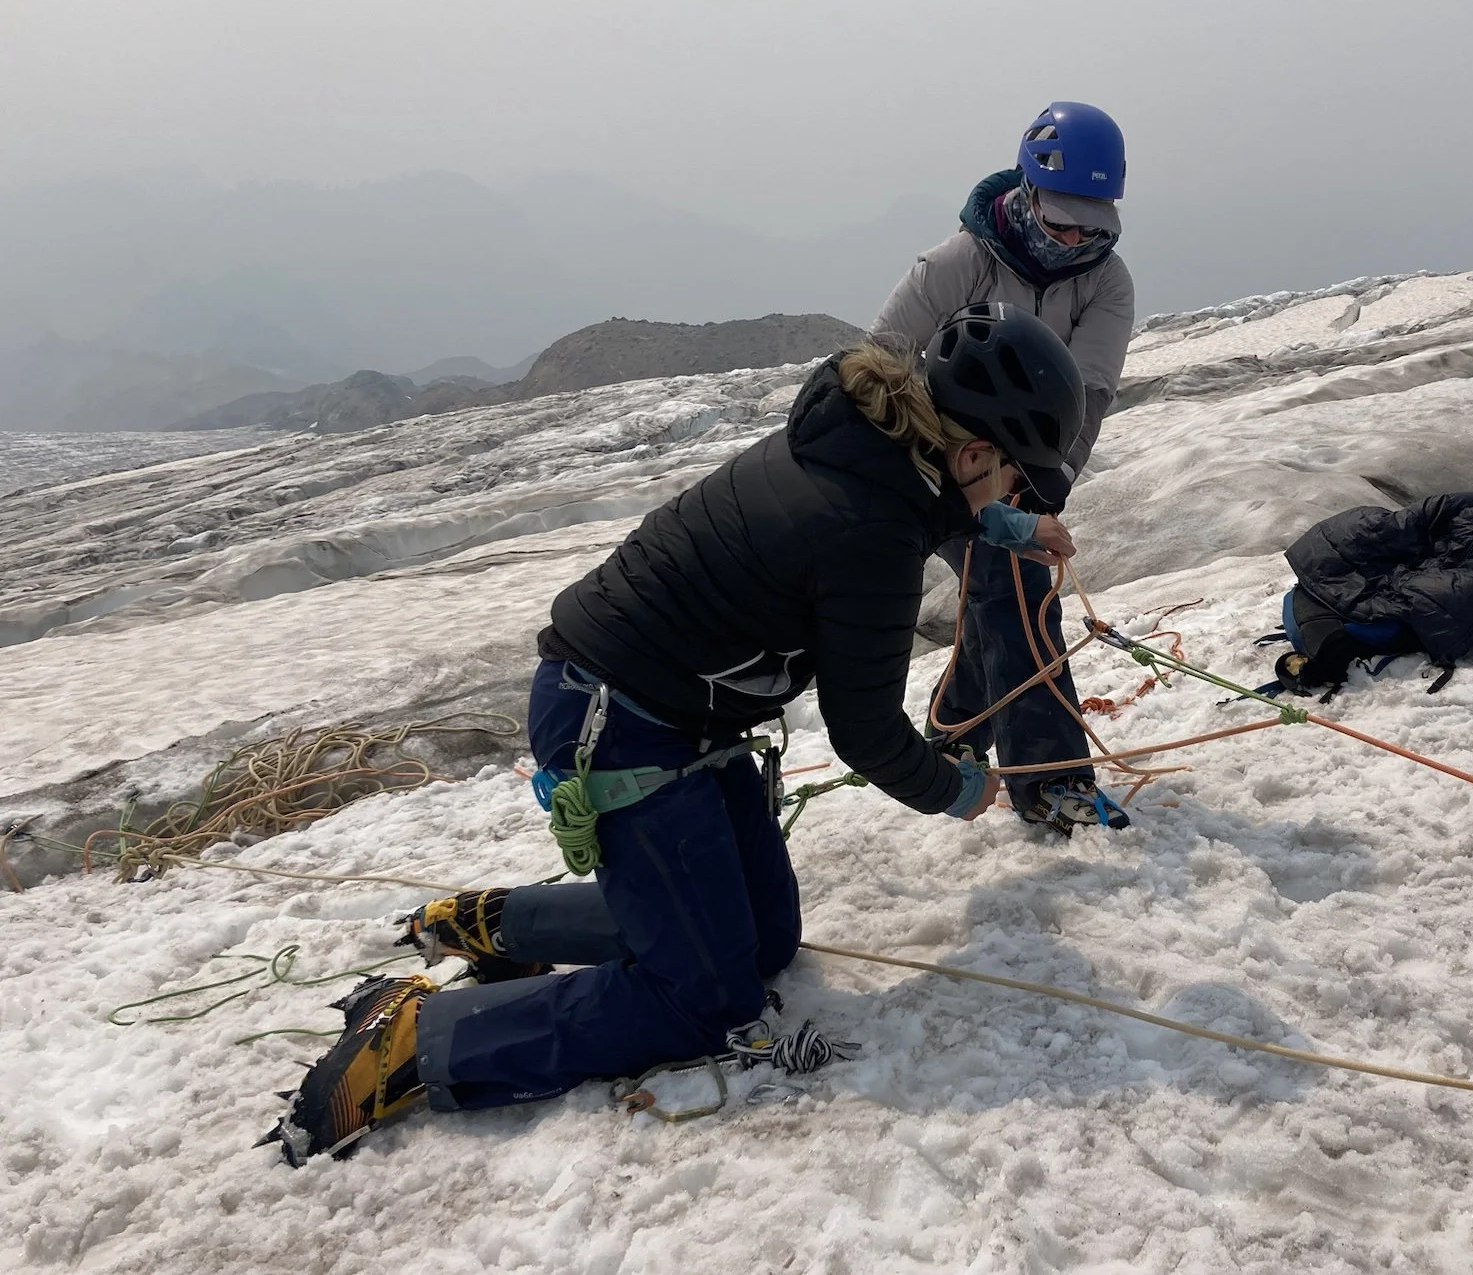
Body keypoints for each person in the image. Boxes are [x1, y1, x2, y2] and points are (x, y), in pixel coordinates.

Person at [266, 305, 1084, 1165]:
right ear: (968, 454)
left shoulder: (863, 441)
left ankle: (496, 926)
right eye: (1012, 479)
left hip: (666, 712)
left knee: (764, 942)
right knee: (704, 1000)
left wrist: (1012, 526)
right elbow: (867, 731)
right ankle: (414, 1040)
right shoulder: (869, 532)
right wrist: (959, 788)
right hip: (622, 729)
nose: (1014, 493)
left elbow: (930, 502)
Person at [871, 101, 1136, 834]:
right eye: (1060, 221)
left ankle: (955, 732)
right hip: (935, 463)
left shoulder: (1106, 283)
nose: (1076, 239)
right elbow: (882, 357)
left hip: (1028, 469)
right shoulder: (958, 261)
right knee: (1017, 593)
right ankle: (1049, 779)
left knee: (1002, 593)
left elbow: (1090, 391)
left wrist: (1045, 488)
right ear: (1024, 194)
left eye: (1095, 225)